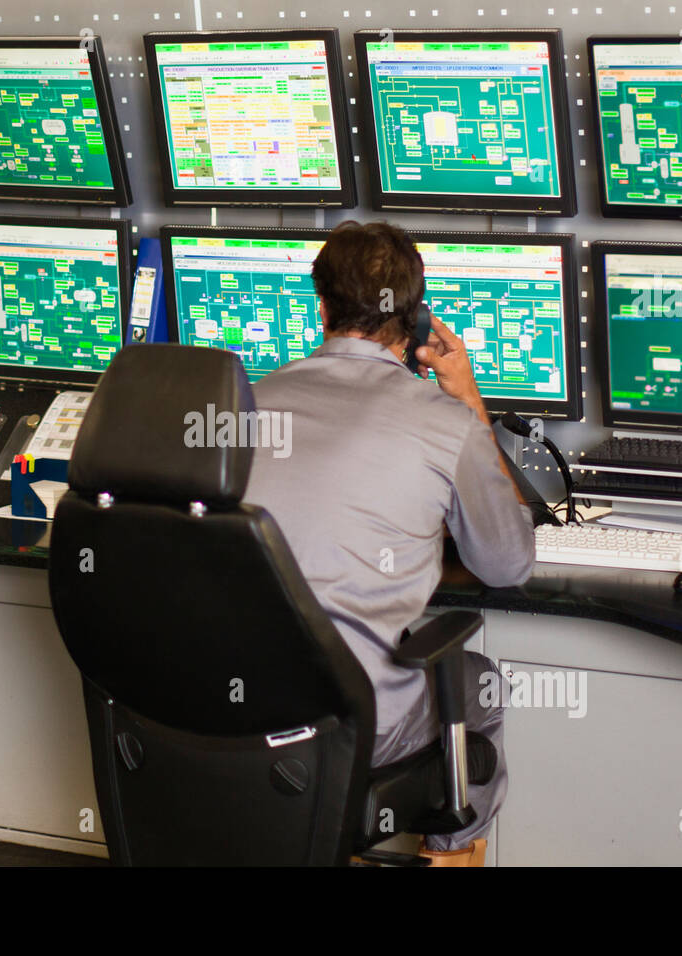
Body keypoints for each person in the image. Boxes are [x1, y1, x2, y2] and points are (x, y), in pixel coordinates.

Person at [243, 220, 536, 864]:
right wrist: (467, 399)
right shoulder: (443, 420)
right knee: (477, 682)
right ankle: (451, 855)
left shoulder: (243, 406)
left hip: (232, 707)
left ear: (321, 306)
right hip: (354, 726)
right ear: (416, 316)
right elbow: (508, 564)